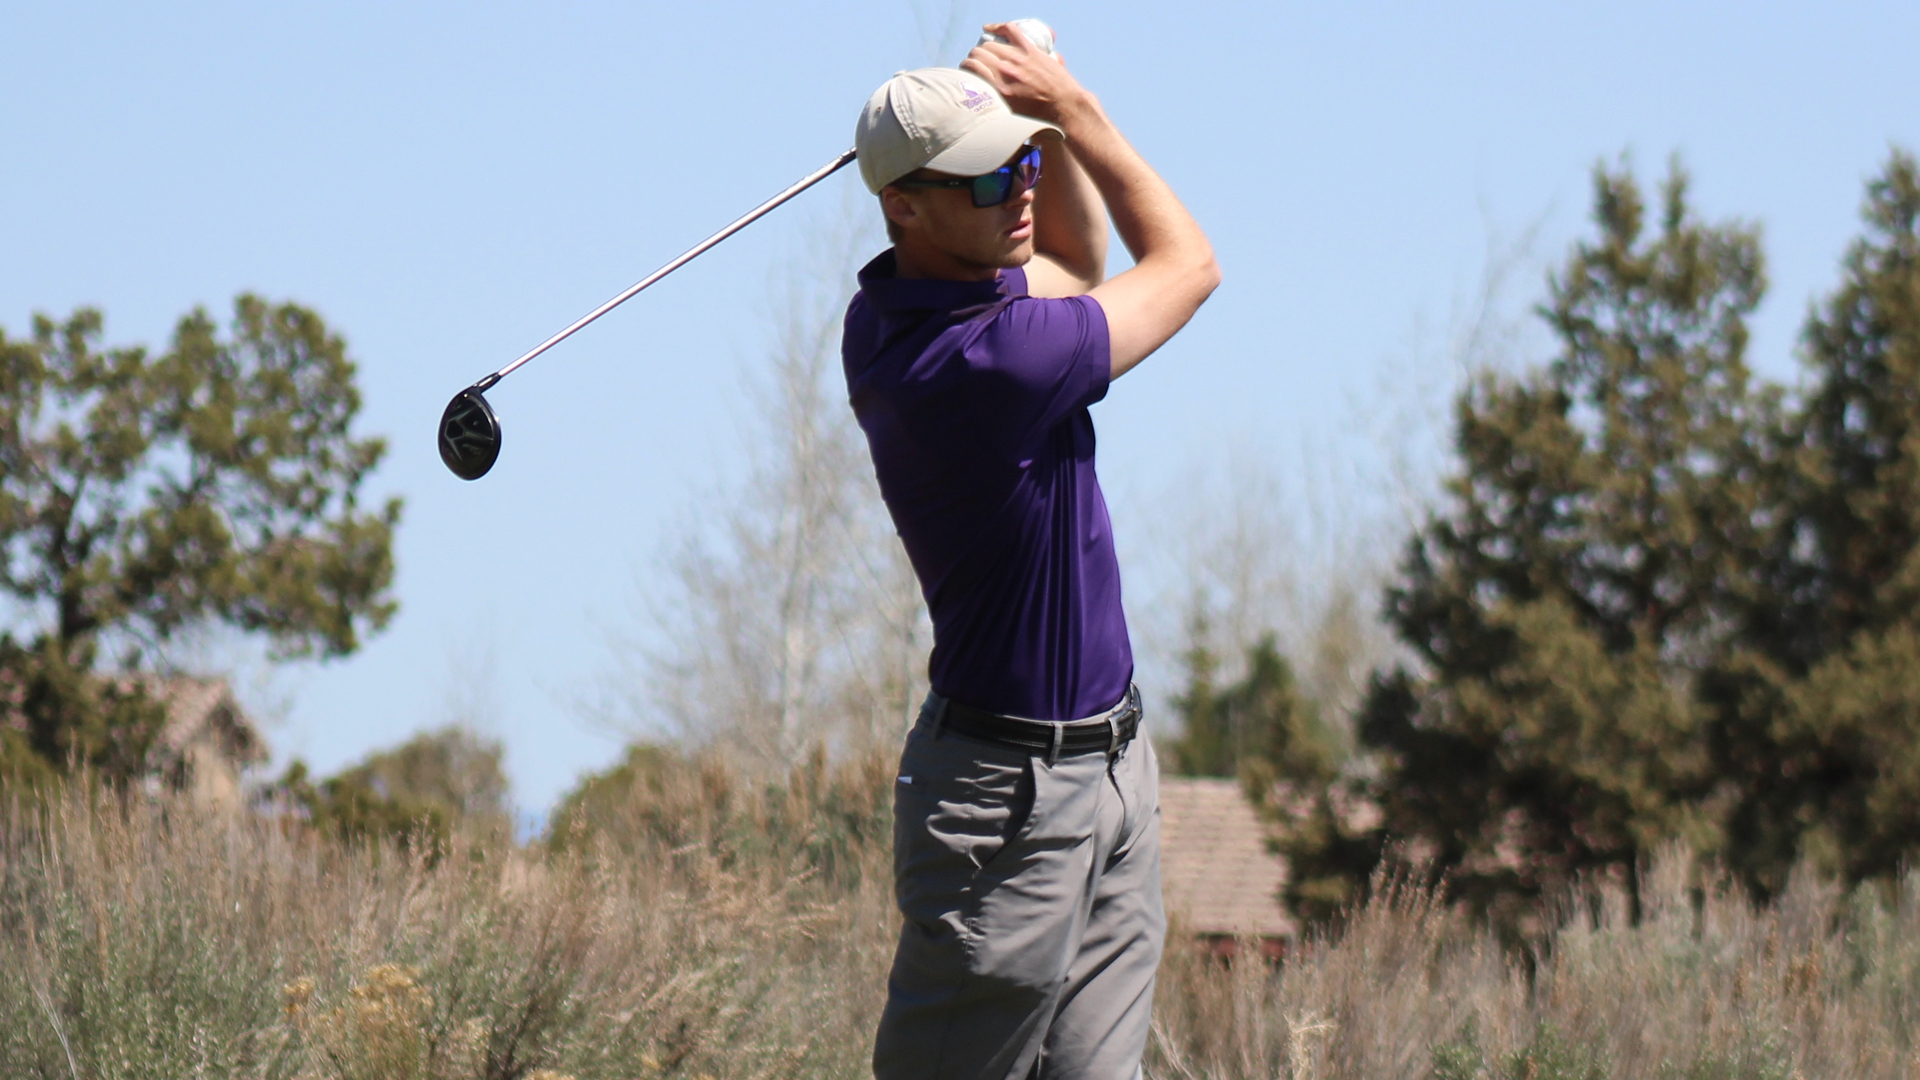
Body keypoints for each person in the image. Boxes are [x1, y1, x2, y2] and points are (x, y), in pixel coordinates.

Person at [842, 22, 1219, 1080]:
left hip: (1113, 769)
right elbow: (1186, 267)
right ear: (902, 205)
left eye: (1023, 166)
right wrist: (1072, 107)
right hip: (1005, 805)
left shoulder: (897, 309)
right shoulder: (988, 360)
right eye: (985, 178)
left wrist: (1026, 115)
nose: (1016, 191)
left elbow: (1075, 261)